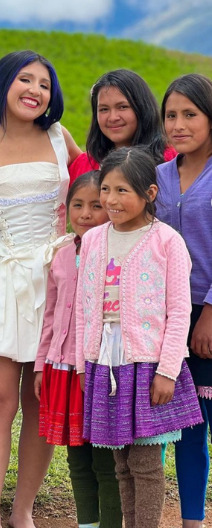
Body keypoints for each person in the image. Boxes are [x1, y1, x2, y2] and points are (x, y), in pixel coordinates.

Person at [0, 50, 81, 528]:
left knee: (42, 400)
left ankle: (22, 510)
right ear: (3, 84)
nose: (35, 91)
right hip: (1, 278)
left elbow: (90, 198)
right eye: (25, 80)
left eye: (44, 84)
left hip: (55, 280)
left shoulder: (59, 138)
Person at [75, 147, 203, 528]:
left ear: (149, 193)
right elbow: (84, 306)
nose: (111, 201)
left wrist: (167, 370)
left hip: (148, 364)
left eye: (122, 191)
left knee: (146, 462)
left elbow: (180, 311)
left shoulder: (167, 241)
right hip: (105, 361)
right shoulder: (95, 239)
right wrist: (86, 362)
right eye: (107, 190)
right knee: (121, 461)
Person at [33, 171, 120, 528]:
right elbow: (51, 313)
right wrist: (41, 364)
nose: (85, 213)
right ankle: (86, 523)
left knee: (104, 459)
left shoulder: (114, 252)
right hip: (61, 367)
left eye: (95, 206)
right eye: (77, 205)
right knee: (76, 457)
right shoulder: (61, 254)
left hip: (98, 369)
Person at [157, 73, 212, 528]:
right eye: (171, 115)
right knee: (187, 426)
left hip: (210, 313)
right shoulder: (157, 177)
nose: (178, 124)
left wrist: (210, 312)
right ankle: (192, 521)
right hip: (171, 316)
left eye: (190, 114)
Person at [68, 69, 176, 180]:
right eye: (104, 109)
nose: (113, 117)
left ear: (143, 108)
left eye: (123, 107)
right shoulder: (83, 164)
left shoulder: (170, 161)